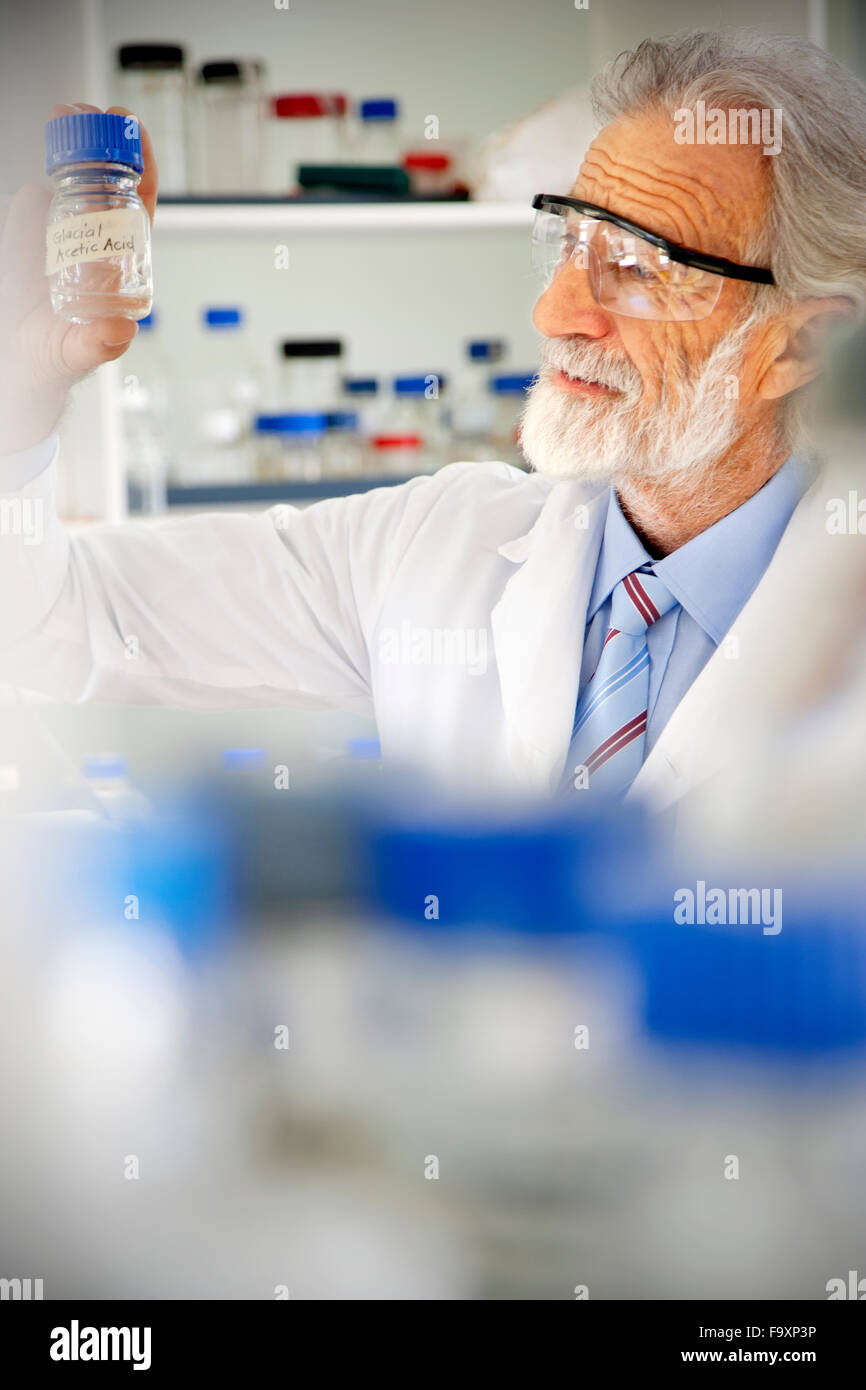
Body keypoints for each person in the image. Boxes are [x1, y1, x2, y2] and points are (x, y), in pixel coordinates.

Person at [1, 30, 865, 811]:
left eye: (639, 267)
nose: (556, 312)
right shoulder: (431, 548)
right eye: (570, 241)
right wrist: (20, 393)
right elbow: (52, 622)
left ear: (802, 346)